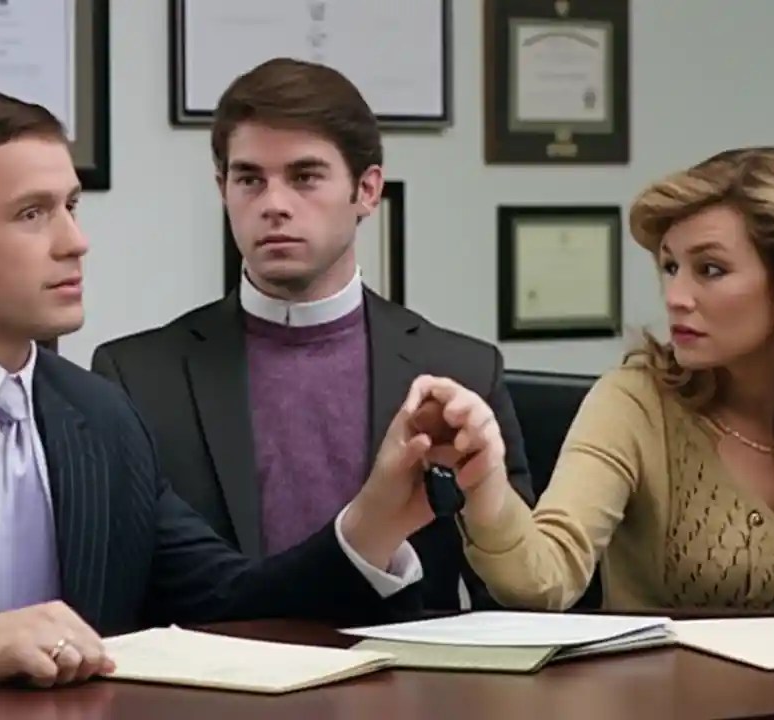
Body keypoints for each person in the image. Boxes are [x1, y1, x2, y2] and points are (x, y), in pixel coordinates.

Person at [0, 90, 511, 686]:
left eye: (72, 205)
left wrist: (376, 519)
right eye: (33, 215)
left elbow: (224, 600)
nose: (76, 242)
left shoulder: (97, 411)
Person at [90, 58, 535, 611]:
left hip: (411, 688)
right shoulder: (137, 377)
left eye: (305, 176)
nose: (274, 204)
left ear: (368, 190)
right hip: (218, 685)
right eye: (249, 178)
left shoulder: (460, 370)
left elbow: (520, 595)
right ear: (222, 189)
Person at [458, 146, 774, 612]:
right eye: (670, 266)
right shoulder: (635, 400)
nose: (675, 296)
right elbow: (545, 579)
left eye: (710, 269)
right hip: (672, 696)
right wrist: (484, 486)